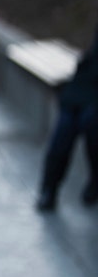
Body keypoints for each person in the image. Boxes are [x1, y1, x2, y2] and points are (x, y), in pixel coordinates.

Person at [35, 21, 98, 211]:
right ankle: (49, 190)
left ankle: (95, 181)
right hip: (81, 91)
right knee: (64, 129)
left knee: (90, 122)